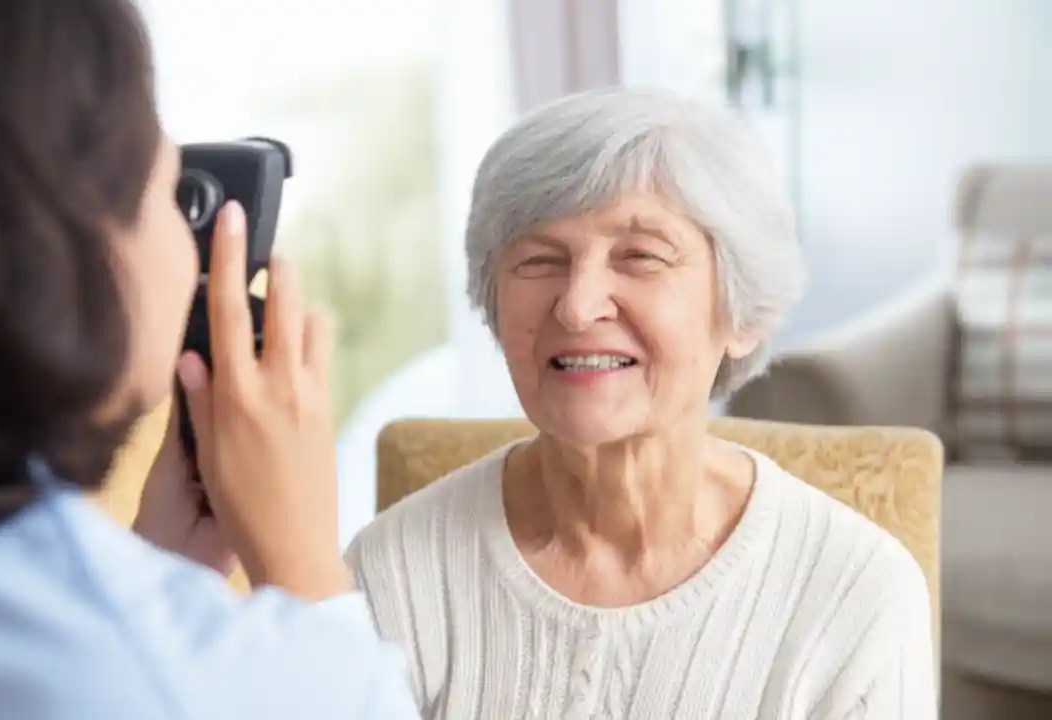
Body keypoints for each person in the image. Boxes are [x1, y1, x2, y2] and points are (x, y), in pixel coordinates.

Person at [0, 2, 416, 718]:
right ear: (67, 251)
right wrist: (302, 565)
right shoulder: (189, 679)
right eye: (168, 191)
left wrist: (155, 573)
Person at [345, 88, 936, 719]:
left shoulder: (853, 594)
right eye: (541, 260)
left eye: (640, 257)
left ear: (741, 313)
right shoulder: (396, 573)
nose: (578, 305)